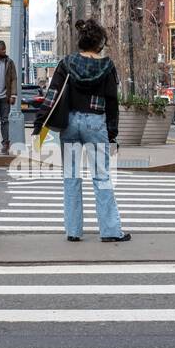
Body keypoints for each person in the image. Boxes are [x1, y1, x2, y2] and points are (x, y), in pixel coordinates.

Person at [34, 19, 129, 243]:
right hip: (96, 122)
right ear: (99, 42)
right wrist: (112, 134)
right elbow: (112, 103)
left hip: (70, 121)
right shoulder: (107, 66)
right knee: (102, 177)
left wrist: (39, 125)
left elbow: (53, 95)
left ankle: (73, 231)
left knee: (71, 176)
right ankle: (110, 231)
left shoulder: (67, 63)